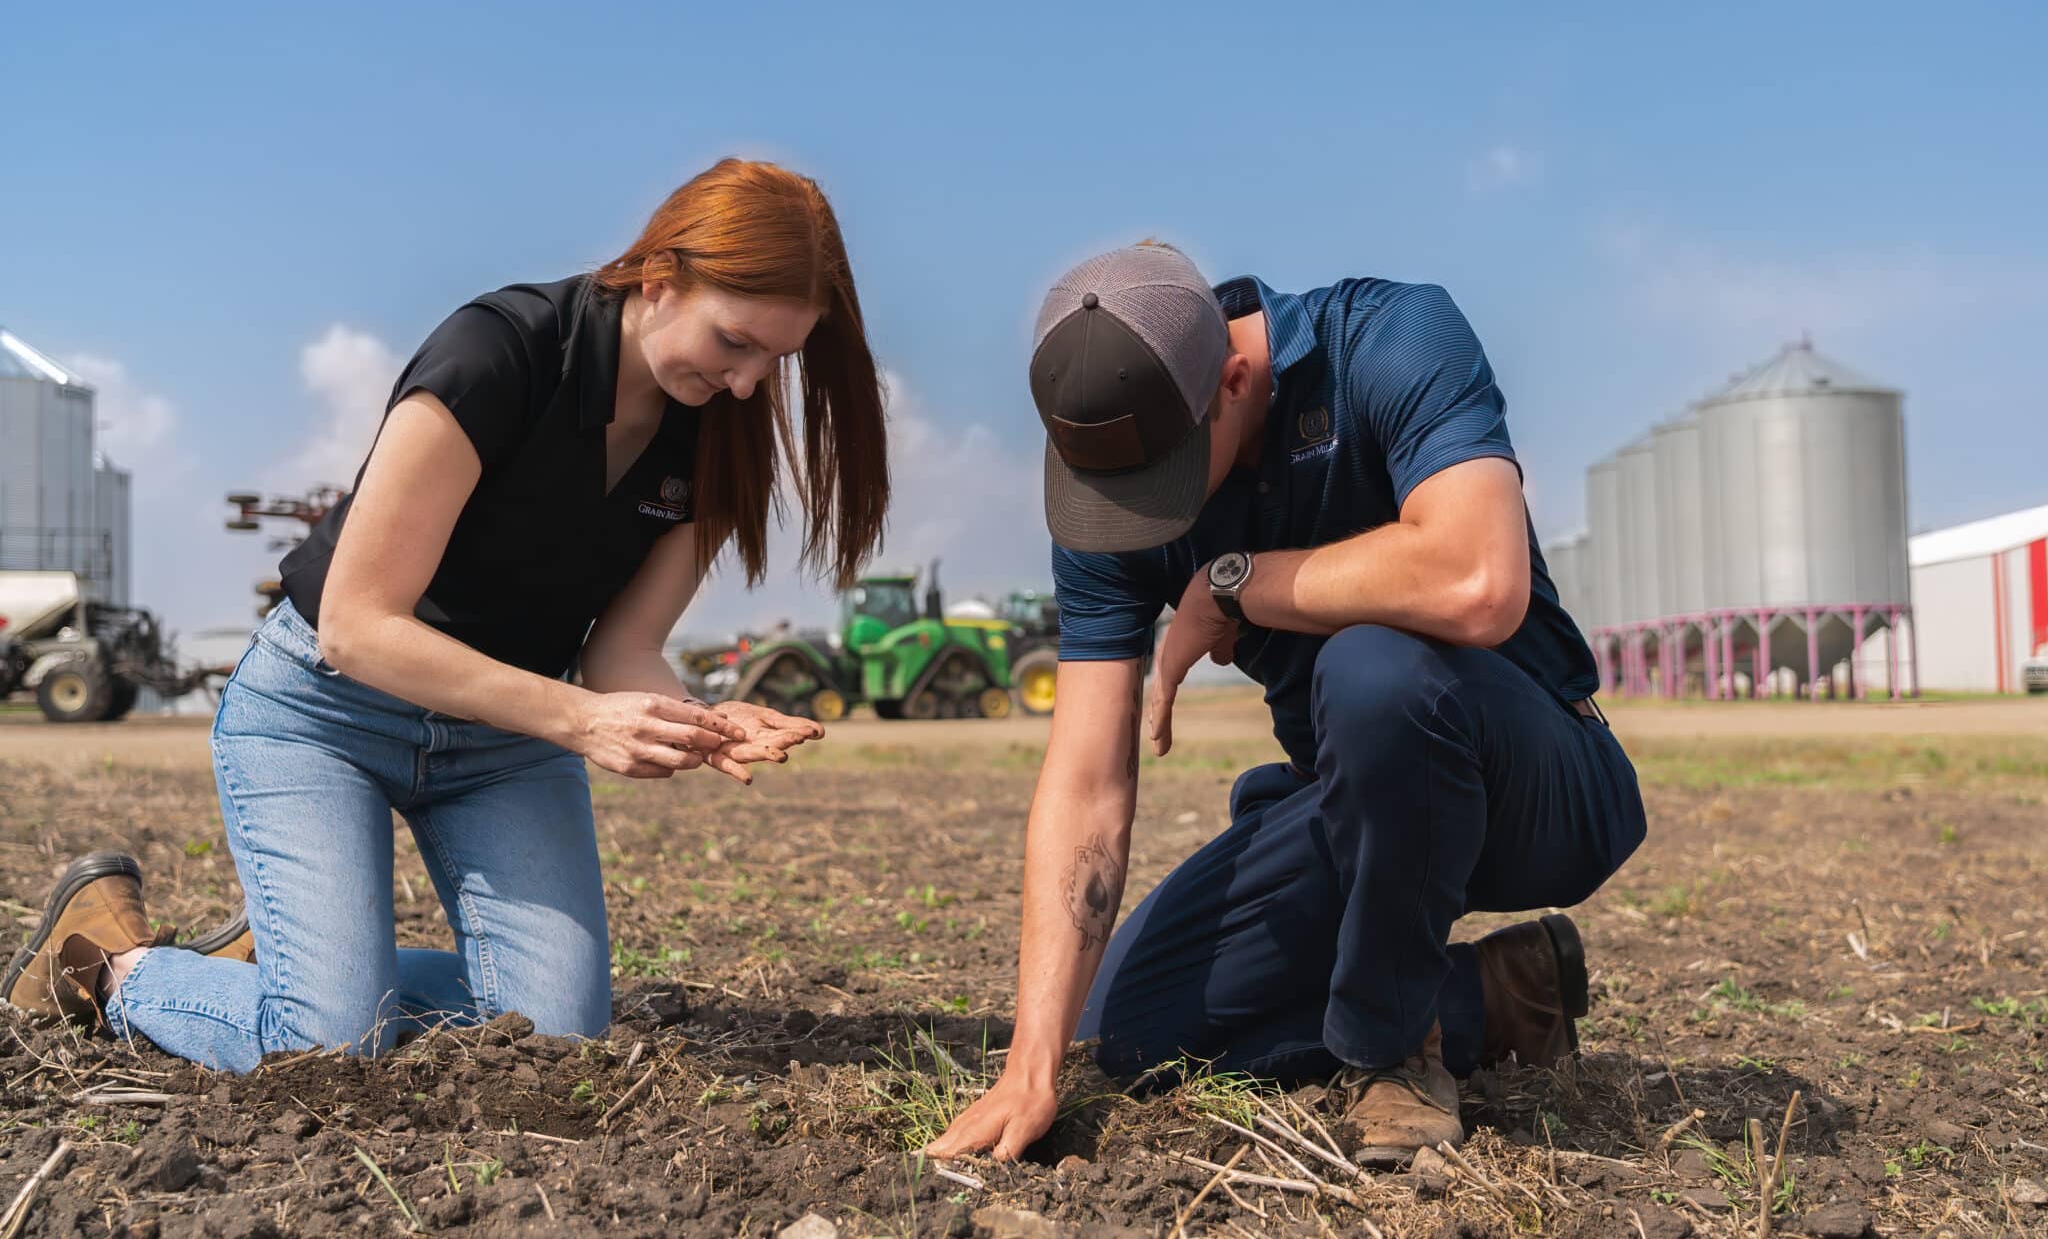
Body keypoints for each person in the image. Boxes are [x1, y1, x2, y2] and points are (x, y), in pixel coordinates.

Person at [3, 159, 890, 1072]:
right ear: (660, 278)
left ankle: (299, 962)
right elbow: (356, 624)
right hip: (326, 716)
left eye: (774, 362)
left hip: (502, 745)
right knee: (329, 1044)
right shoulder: (498, 351)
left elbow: (626, 648)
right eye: (735, 342)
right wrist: (581, 721)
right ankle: (114, 964)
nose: (749, 385)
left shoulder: (716, 437)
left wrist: (699, 722)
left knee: (555, 1039)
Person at [928, 244, 1644, 1167]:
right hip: (1354, 808)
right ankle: (1493, 997)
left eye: (1168, 486)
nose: (1153, 520)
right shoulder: (1112, 473)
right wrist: (1031, 1063)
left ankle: (1393, 1052)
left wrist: (1236, 583)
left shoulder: (1391, 340)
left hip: (1531, 780)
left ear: (1232, 378)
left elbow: (1477, 579)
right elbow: (1087, 783)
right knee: (1127, 1039)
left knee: (1373, 668)